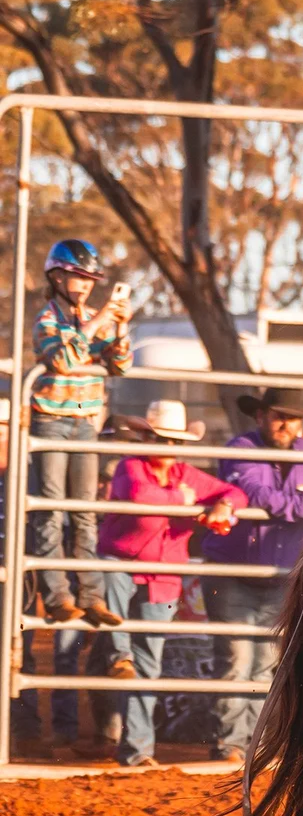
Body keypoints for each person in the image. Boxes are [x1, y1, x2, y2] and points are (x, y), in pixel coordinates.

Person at [201, 388, 303, 764]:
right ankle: (232, 742)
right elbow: (254, 493)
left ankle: (256, 742)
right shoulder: (240, 448)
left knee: (267, 662)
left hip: (280, 574)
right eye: (279, 416)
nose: (286, 424)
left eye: (294, 418)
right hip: (234, 571)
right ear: (261, 416)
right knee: (237, 659)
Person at [97, 401, 245, 767]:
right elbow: (138, 496)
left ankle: (137, 750)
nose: (166, 447)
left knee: (148, 663)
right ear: (145, 437)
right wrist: (182, 501)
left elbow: (235, 493)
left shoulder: (185, 474)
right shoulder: (132, 467)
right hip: (123, 564)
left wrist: (224, 506)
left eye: (171, 441)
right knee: (127, 646)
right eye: (158, 438)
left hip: (162, 575)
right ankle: (119, 657)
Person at [30, 238, 133, 626]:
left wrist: (120, 329)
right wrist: (103, 318)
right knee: (52, 510)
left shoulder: (93, 317)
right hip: (51, 422)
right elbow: (63, 359)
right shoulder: (47, 319)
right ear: (56, 277)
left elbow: (120, 364)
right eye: (78, 277)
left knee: (85, 512)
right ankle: (58, 594)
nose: (86, 285)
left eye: (90, 279)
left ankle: (91, 596)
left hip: (84, 423)